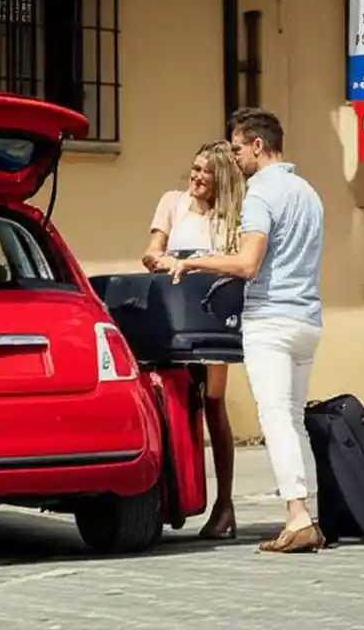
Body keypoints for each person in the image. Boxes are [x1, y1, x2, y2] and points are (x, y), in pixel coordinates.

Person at [171, 108, 325, 554]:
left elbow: (247, 263)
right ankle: (308, 515)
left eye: (237, 149)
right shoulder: (308, 193)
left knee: (276, 418)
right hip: (307, 320)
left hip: (271, 321)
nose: (234, 158)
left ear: (258, 146)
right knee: (292, 419)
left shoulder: (260, 194)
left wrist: (193, 261)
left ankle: (297, 517)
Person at [142, 140, 244, 540]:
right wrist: (165, 260)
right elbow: (151, 252)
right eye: (195, 168)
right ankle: (175, 493)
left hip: (211, 318)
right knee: (174, 400)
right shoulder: (173, 202)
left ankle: (224, 503)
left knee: (214, 403)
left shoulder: (232, 218)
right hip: (171, 316)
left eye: (207, 172)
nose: (197, 177)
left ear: (222, 180)